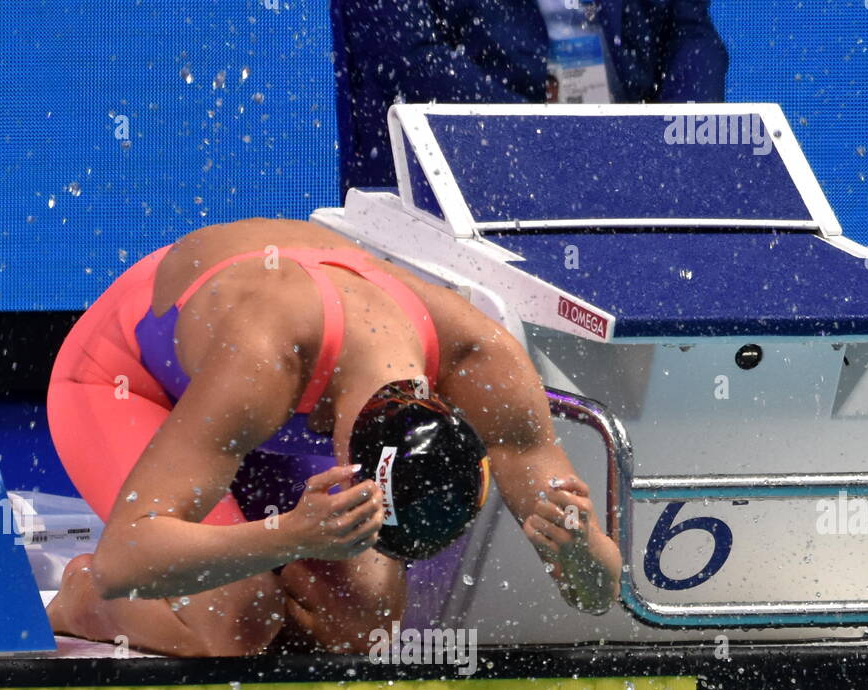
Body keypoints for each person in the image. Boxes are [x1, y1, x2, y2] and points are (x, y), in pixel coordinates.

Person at [45, 217, 621, 657]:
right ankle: (85, 603)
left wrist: (580, 555)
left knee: (364, 626)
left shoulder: (482, 359)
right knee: (239, 620)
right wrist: (287, 537)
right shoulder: (265, 354)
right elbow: (126, 555)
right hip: (129, 379)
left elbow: (598, 595)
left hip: (269, 409)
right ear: (354, 455)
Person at [331, 0, 729, 191]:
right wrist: (547, 140)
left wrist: (675, 145)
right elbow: (408, 58)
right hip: (459, 186)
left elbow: (690, 35)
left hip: (624, 173)